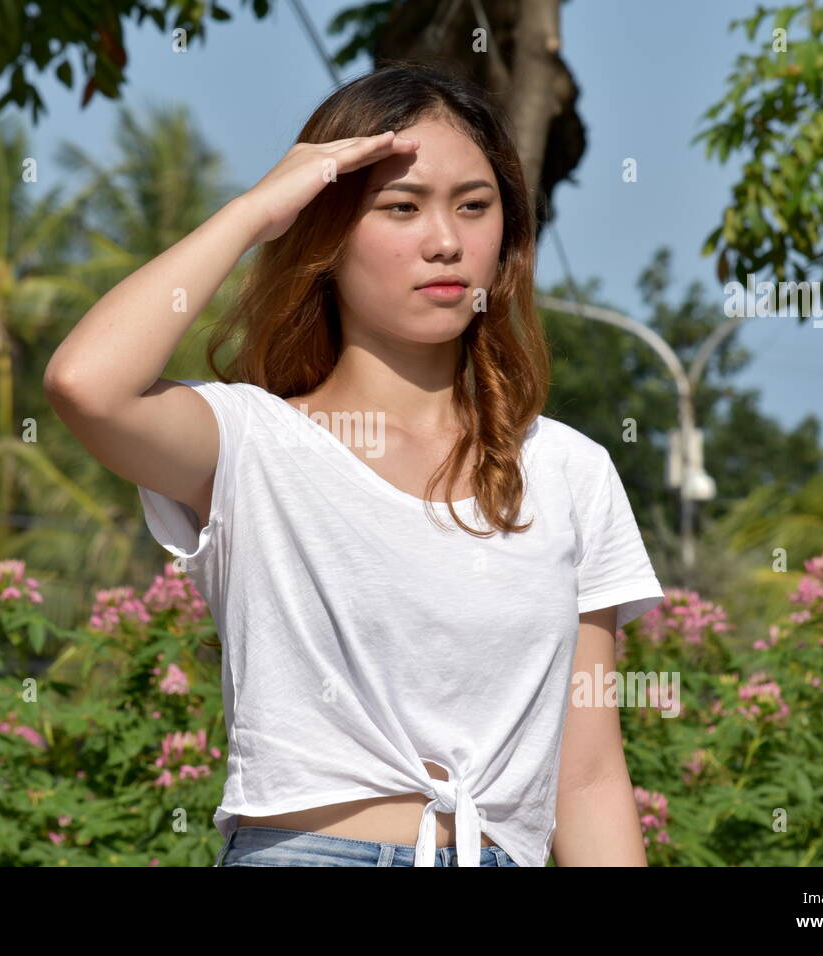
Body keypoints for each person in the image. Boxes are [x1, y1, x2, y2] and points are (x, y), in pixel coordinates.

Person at [44, 60, 666, 867]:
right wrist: (251, 213)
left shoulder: (570, 470)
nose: (446, 241)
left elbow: (585, 777)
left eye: (475, 208)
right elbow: (84, 384)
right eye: (400, 208)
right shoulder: (252, 443)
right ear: (326, 237)